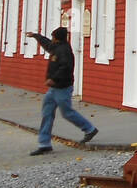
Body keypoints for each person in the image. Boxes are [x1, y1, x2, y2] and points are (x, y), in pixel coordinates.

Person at [26, 26, 98, 155]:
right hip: (53, 90)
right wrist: (36, 36)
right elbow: (46, 42)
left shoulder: (64, 51)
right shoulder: (55, 47)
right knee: (47, 114)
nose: (51, 39)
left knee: (67, 113)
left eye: (53, 36)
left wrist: (53, 79)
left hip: (63, 88)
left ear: (57, 38)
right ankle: (44, 144)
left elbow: (66, 67)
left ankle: (89, 129)